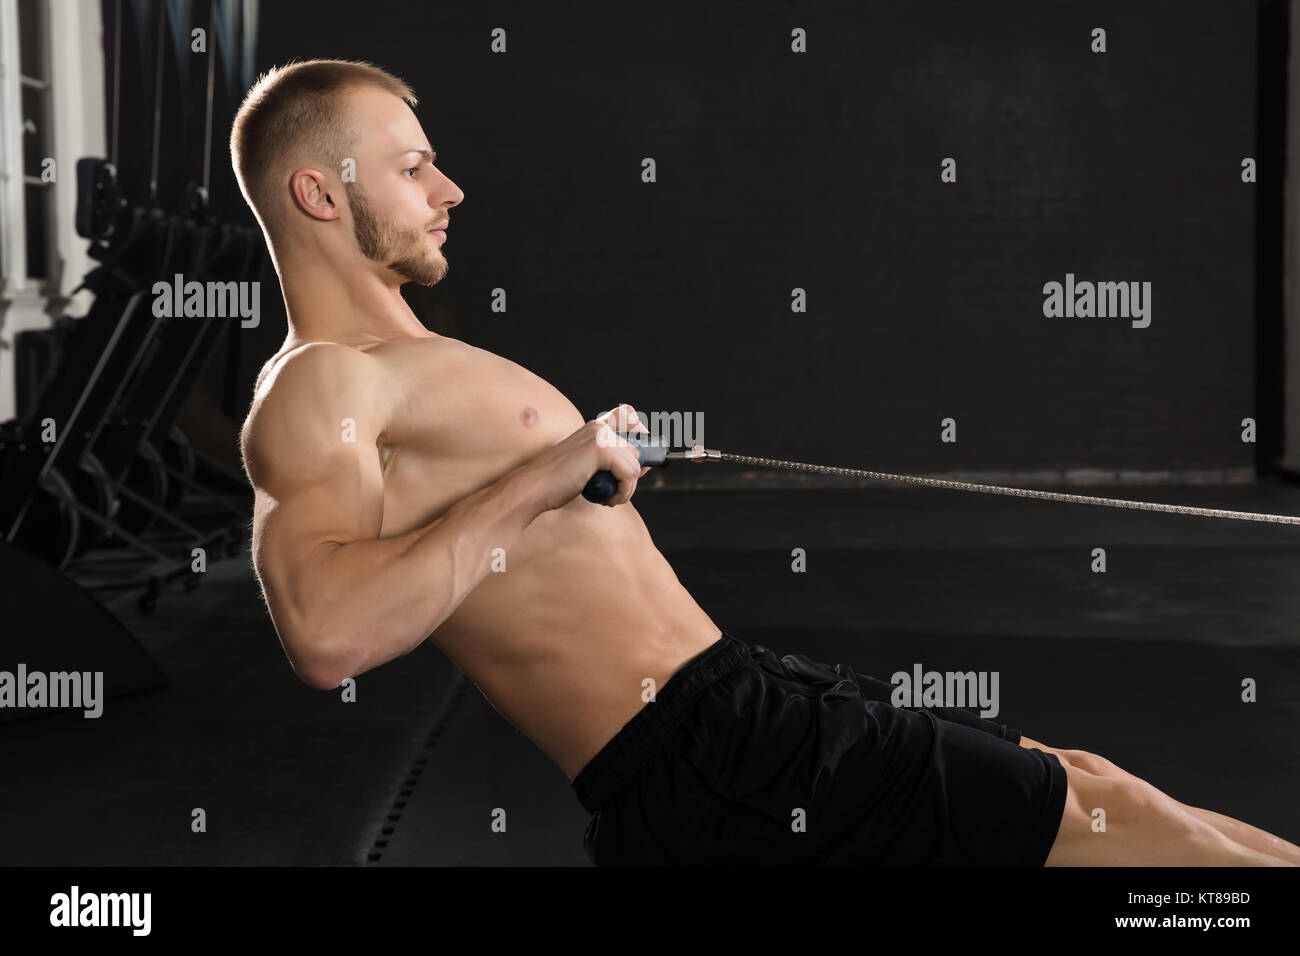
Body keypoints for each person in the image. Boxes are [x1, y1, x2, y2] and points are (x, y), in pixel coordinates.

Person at [231, 58, 1298, 866]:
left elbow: (516, 517)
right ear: (321, 194)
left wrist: (570, 468)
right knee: (1117, 821)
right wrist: (540, 476)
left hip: (738, 707)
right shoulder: (320, 382)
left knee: (1096, 790)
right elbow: (328, 637)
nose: (450, 187)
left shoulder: (404, 361)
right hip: (709, 754)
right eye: (413, 167)